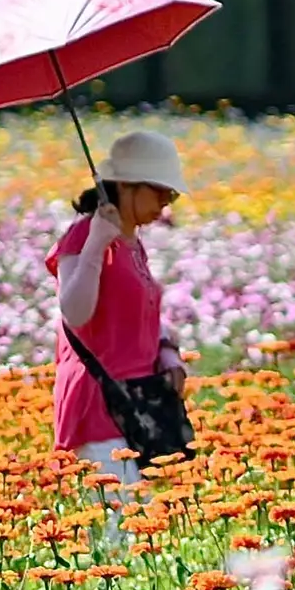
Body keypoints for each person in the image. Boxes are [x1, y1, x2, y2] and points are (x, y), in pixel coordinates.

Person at [50, 130, 192, 491]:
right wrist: (97, 243)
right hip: (99, 404)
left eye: (170, 193)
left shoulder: (134, 242)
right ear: (126, 186)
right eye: (159, 190)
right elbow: (75, 313)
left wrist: (167, 351)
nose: (166, 201)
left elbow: (139, 316)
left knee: (146, 529)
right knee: (118, 531)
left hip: (140, 402)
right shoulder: (84, 235)